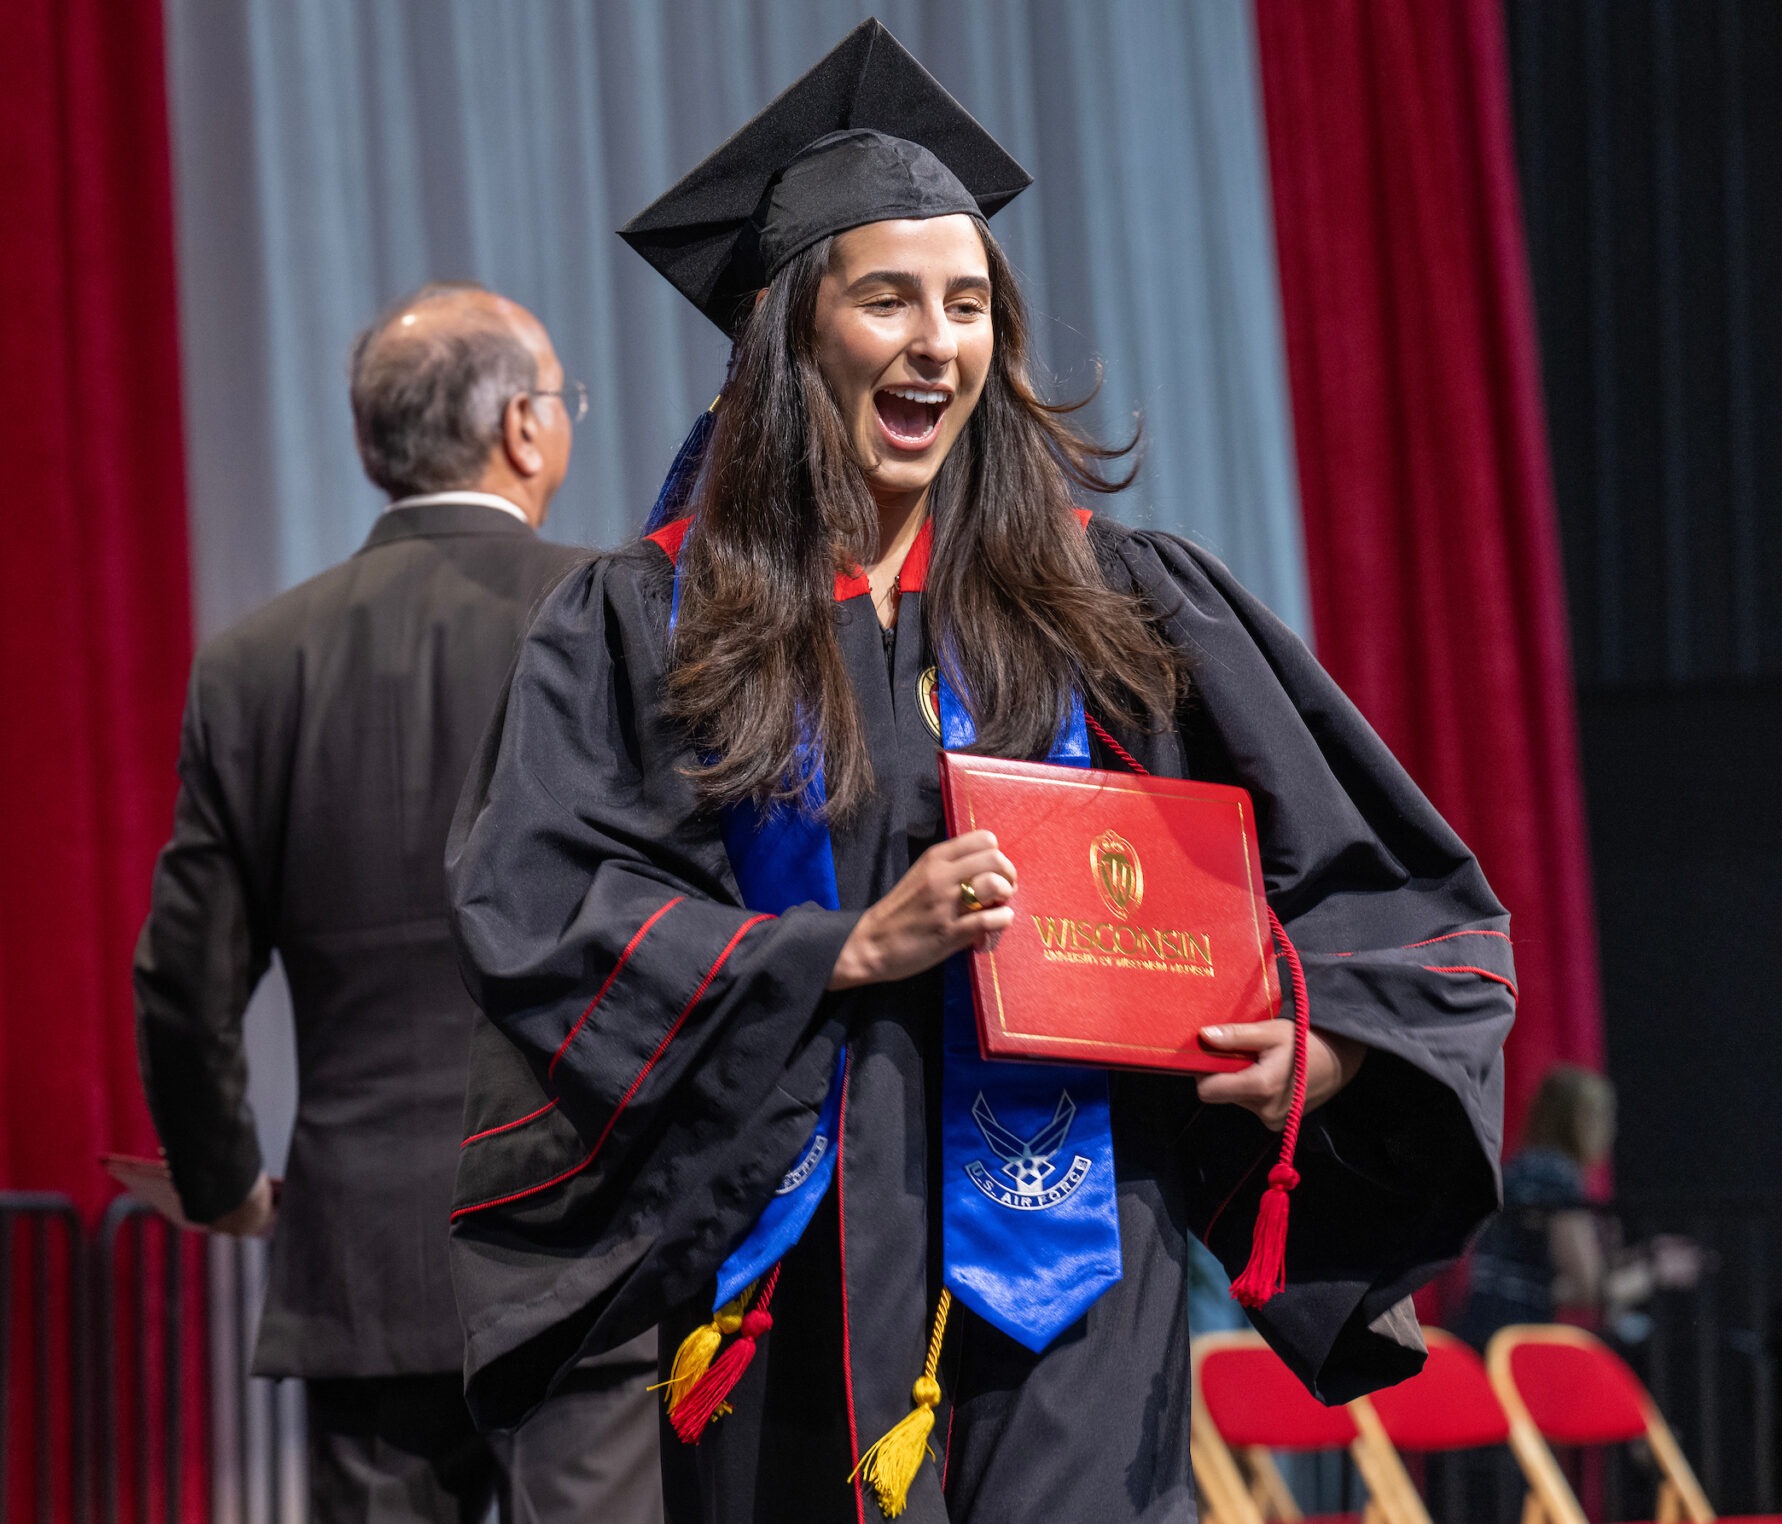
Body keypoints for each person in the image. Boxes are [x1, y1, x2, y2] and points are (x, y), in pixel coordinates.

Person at [445, 22, 1514, 1524]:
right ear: (789, 337)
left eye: (966, 305)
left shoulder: (1114, 604)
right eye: (886, 298)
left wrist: (1321, 1049)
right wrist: (838, 952)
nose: (936, 343)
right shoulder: (650, 624)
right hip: (792, 1266)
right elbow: (542, 909)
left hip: (1082, 1291)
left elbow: (1383, 890)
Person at [134, 282, 661, 1524]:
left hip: (361, 1256)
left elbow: (183, 982)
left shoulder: (255, 663)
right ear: (522, 427)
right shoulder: (618, 616)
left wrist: (222, 1183)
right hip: (582, 1229)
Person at [1458, 1064, 1701, 1345]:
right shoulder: (1553, 1176)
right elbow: (1591, 1289)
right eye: (1603, 1117)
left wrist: (1643, 1256)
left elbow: (1552, 1281)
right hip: (1513, 1333)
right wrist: (1657, 1271)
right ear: (1581, 1122)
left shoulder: (1525, 1168)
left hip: (1485, 1324)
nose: (1611, 1130)